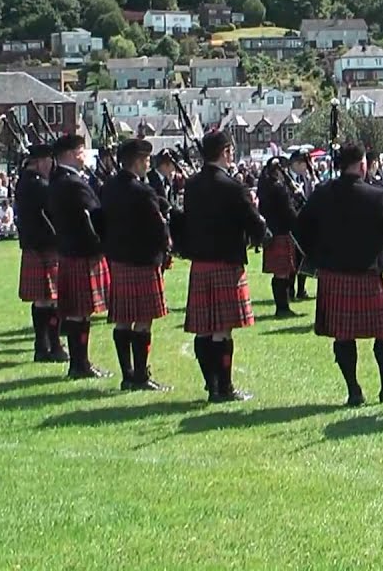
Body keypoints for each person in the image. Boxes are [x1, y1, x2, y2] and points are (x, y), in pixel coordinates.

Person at [296, 143, 383, 406]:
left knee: (343, 335)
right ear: (362, 164)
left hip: (333, 273)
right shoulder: (377, 196)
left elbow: (301, 229)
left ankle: (354, 391)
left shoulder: (321, 193)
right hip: (367, 273)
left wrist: (319, 257)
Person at [180, 131, 269, 403]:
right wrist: (261, 226)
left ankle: (212, 385)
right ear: (225, 152)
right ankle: (225, 388)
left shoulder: (192, 185)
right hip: (226, 262)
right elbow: (253, 223)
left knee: (204, 329)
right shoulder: (233, 187)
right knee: (222, 330)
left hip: (201, 262)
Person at [101, 139, 172, 391]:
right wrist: (166, 247)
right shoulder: (144, 192)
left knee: (122, 320)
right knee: (143, 320)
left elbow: (100, 222)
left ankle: (127, 375)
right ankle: (141, 376)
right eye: (146, 160)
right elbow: (158, 226)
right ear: (139, 161)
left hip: (118, 260)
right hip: (143, 260)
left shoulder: (108, 188)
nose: (148, 164)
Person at [47, 133, 111, 379]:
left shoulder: (57, 181)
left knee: (77, 312)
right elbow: (94, 214)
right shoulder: (73, 183)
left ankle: (79, 363)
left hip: (68, 250)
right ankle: (80, 364)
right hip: (83, 250)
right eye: (82, 151)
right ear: (72, 154)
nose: (85, 156)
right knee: (79, 313)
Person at [15, 143, 66, 363]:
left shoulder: (24, 182)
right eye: (49, 161)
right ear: (41, 161)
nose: (51, 165)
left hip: (33, 246)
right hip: (46, 245)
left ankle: (42, 345)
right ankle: (53, 345)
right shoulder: (39, 185)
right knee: (51, 300)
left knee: (42, 301)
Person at [257, 158, 300, 317]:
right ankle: (282, 307)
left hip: (272, 231)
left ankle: (282, 305)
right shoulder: (279, 188)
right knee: (282, 272)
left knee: (280, 272)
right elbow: (288, 212)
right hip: (281, 231)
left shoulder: (265, 187)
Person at [288, 150, 315, 302]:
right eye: (305, 163)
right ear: (296, 163)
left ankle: (301, 289)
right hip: (291, 224)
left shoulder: (308, 179)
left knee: (304, 257)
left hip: (306, 224)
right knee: (291, 259)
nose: (307, 167)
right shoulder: (285, 178)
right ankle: (290, 289)